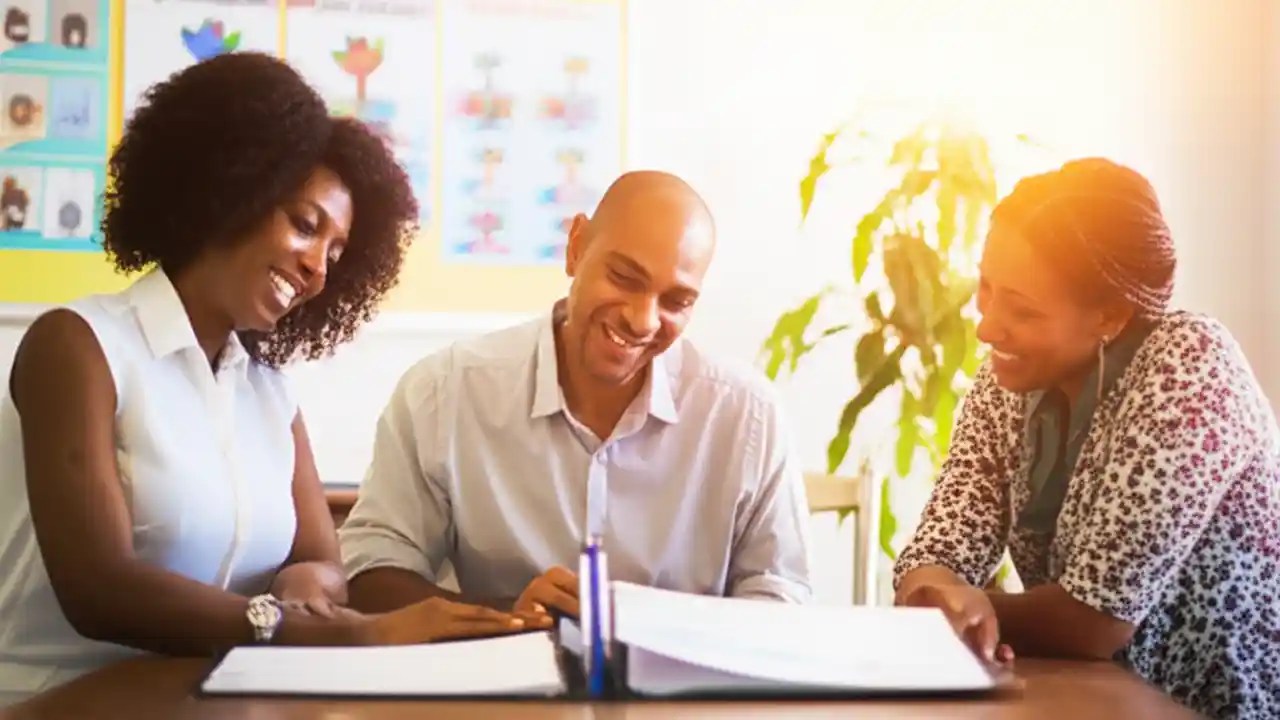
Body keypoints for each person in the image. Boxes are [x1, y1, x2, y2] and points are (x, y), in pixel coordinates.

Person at [0, 52, 545, 707]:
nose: (318, 269)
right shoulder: (78, 347)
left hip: (210, 698)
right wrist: (328, 635)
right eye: (305, 225)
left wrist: (306, 591)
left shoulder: (266, 390)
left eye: (336, 254)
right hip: (59, 699)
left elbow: (321, 559)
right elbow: (99, 589)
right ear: (231, 189)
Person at [893, 157, 1279, 720]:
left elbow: (1098, 620)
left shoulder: (1192, 366)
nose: (986, 326)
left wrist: (964, 611)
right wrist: (936, 590)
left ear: (1111, 315)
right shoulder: (1006, 379)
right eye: (986, 285)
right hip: (1087, 702)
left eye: (1021, 308)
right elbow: (940, 547)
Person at [339, 170, 812, 616]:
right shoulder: (445, 393)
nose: (642, 320)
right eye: (625, 278)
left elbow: (781, 597)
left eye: (676, 302)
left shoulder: (747, 417)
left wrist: (666, 625)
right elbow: (370, 569)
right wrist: (510, 615)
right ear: (575, 248)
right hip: (506, 696)